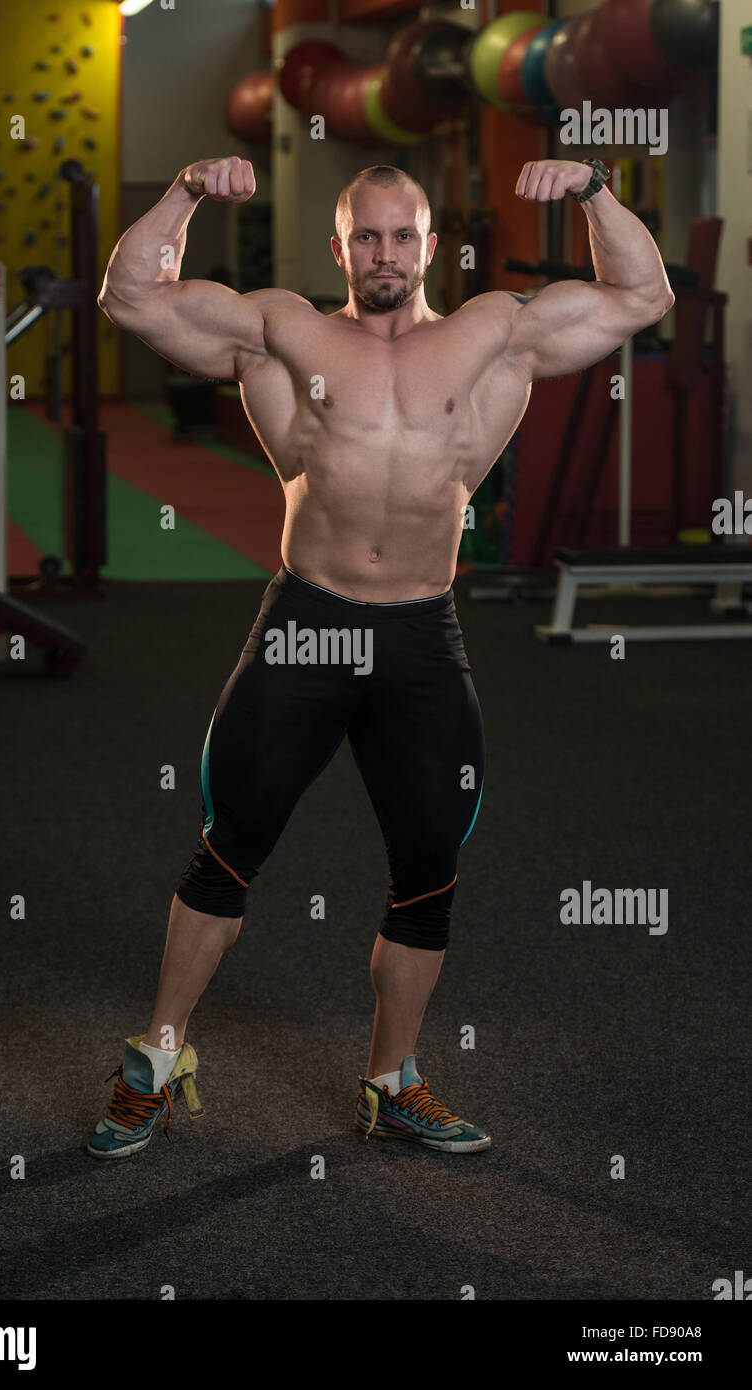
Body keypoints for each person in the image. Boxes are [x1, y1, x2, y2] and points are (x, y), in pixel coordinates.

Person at [87, 156, 674, 1159]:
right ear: (340, 245)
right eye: (367, 236)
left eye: (403, 236)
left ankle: (392, 1079)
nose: (386, 254)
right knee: (231, 844)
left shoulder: (494, 334)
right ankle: (158, 1054)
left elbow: (641, 293)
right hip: (309, 621)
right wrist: (185, 188)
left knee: (428, 867)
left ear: (431, 245)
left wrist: (590, 193)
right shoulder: (285, 329)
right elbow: (130, 296)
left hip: (419, 635)